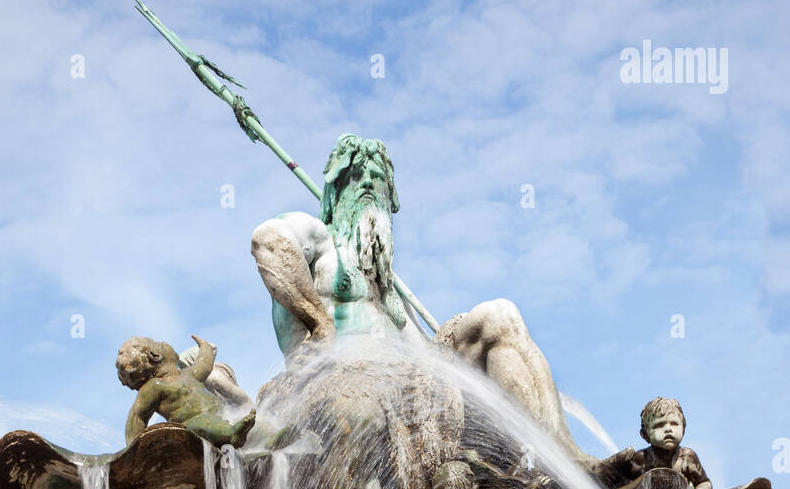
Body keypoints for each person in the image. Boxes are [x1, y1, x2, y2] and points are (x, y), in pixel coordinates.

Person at [251, 133, 591, 467]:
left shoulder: (390, 291)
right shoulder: (319, 239)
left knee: (500, 314)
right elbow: (268, 241)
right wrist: (320, 323)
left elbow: (426, 360)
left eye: (377, 179)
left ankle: (566, 458)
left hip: (404, 386)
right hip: (338, 382)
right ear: (335, 192)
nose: (367, 183)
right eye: (355, 177)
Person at [117, 333, 255, 448]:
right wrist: (133, 449)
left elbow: (204, 364)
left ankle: (244, 432)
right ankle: (232, 434)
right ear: (155, 355)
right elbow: (137, 417)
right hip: (190, 425)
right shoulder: (154, 386)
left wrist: (205, 348)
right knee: (203, 423)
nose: (164, 342)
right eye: (158, 343)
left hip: (221, 416)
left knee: (246, 427)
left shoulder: (188, 373)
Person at [601, 396, 712, 489]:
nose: (668, 429)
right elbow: (626, 485)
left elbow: (704, 483)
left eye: (674, 423)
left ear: (683, 428)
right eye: (659, 425)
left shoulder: (687, 457)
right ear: (645, 435)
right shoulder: (642, 458)